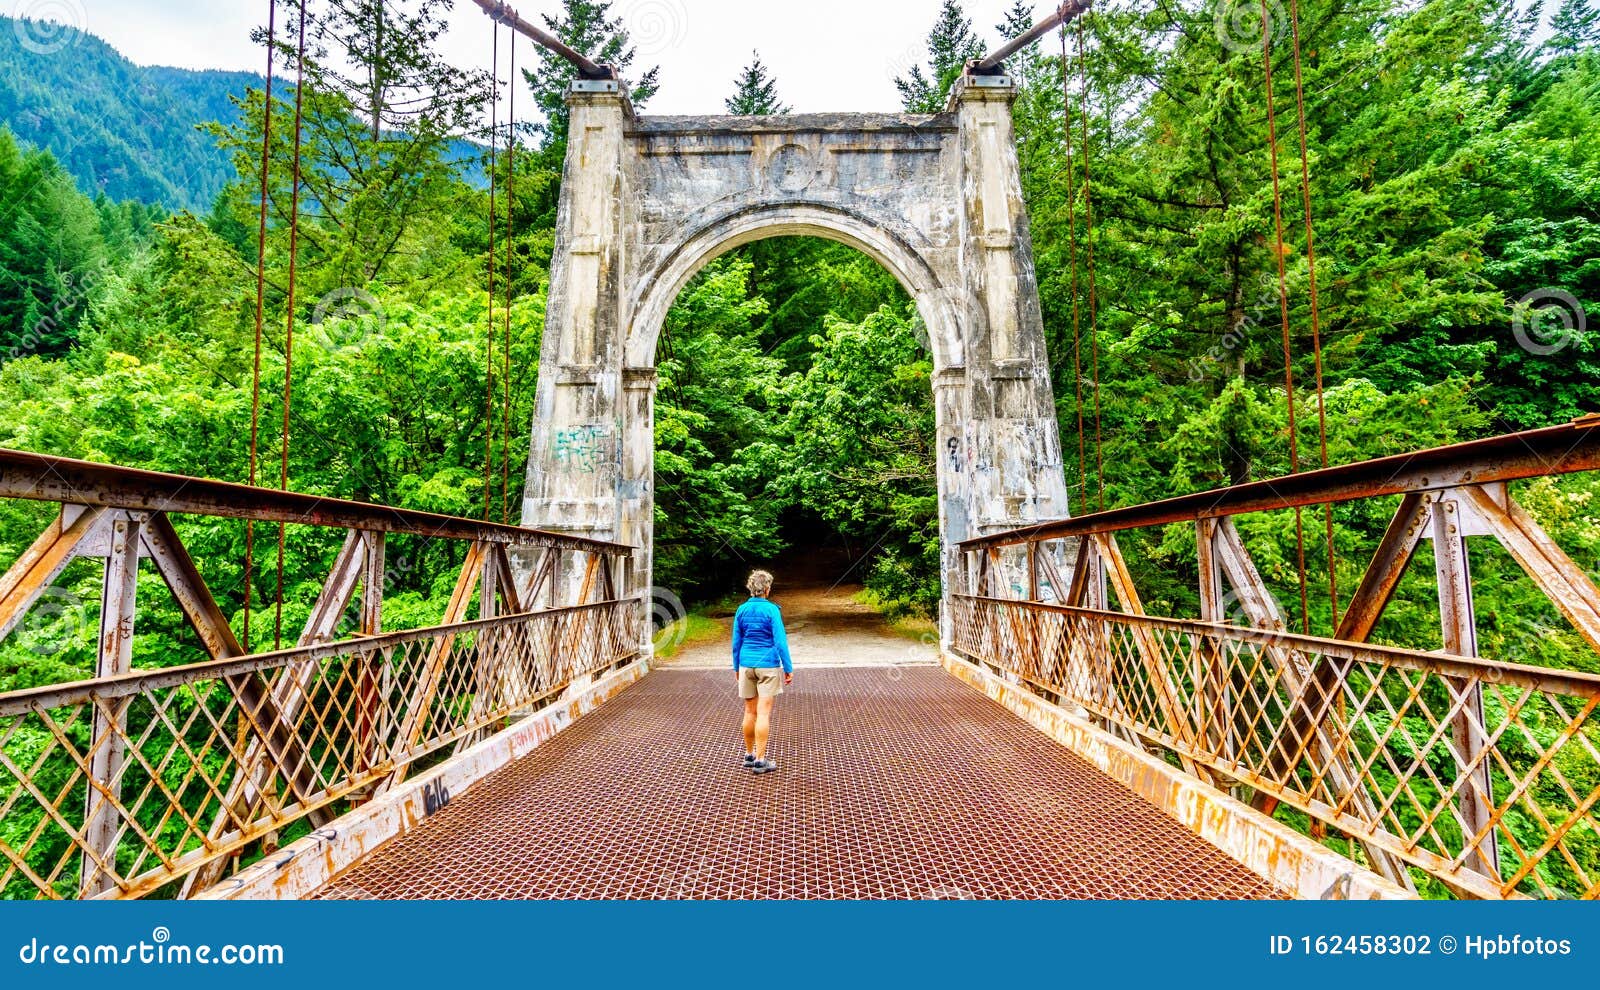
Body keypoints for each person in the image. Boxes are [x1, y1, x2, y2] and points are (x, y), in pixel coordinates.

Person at [732, 569, 793, 775]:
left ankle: (749, 754)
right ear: (767, 589)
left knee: (749, 711)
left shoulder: (741, 610)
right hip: (767, 665)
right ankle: (760, 760)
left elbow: (736, 643)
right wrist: (788, 668)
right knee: (763, 713)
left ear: (751, 588)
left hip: (746, 664)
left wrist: (736, 667)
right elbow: (780, 641)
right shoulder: (772, 610)